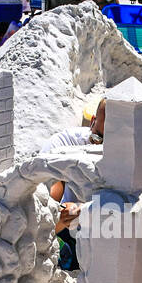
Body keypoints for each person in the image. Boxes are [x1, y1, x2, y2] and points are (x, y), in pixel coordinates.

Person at [39, 102, 106, 269]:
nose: (100, 147)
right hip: (69, 230)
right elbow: (41, 206)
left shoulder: (139, 159)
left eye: (111, 144)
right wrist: (61, 216)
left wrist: (88, 210)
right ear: (92, 122)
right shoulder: (66, 143)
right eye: (98, 138)